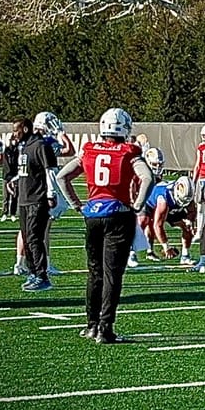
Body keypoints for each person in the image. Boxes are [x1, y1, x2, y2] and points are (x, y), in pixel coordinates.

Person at [57, 108, 154, 344]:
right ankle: (105, 327)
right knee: (113, 274)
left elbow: (62, 176)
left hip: (93, 215)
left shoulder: (89, 149)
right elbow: (148, 177)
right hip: (118, 214)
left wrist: (77, 205)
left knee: (95, 272)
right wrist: (138, 205)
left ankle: (91, 324)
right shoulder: (129, 151)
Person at [12, 116, 62, 292]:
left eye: (16, 130)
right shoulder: (24, 147)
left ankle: (42, 275)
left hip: (37, 199)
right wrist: (15, 181)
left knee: (34, 238)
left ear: (25, 129)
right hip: (25, 198)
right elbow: (26, 171)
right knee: (26, 238)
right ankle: (33, 272)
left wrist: (51, 193)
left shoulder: (40, 145)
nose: (14, 134)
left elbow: (50, 170)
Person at [135, 174, 195, 266]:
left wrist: (190, 222)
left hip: (171, 206)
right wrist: (166, 247)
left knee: (187, 227)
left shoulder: (187, 195)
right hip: (149, 202)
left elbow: (192, 211)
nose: (185, 203)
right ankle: (131, 253)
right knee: (143, 222)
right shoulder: (164, 198)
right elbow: (157, 225)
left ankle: (185, 256)